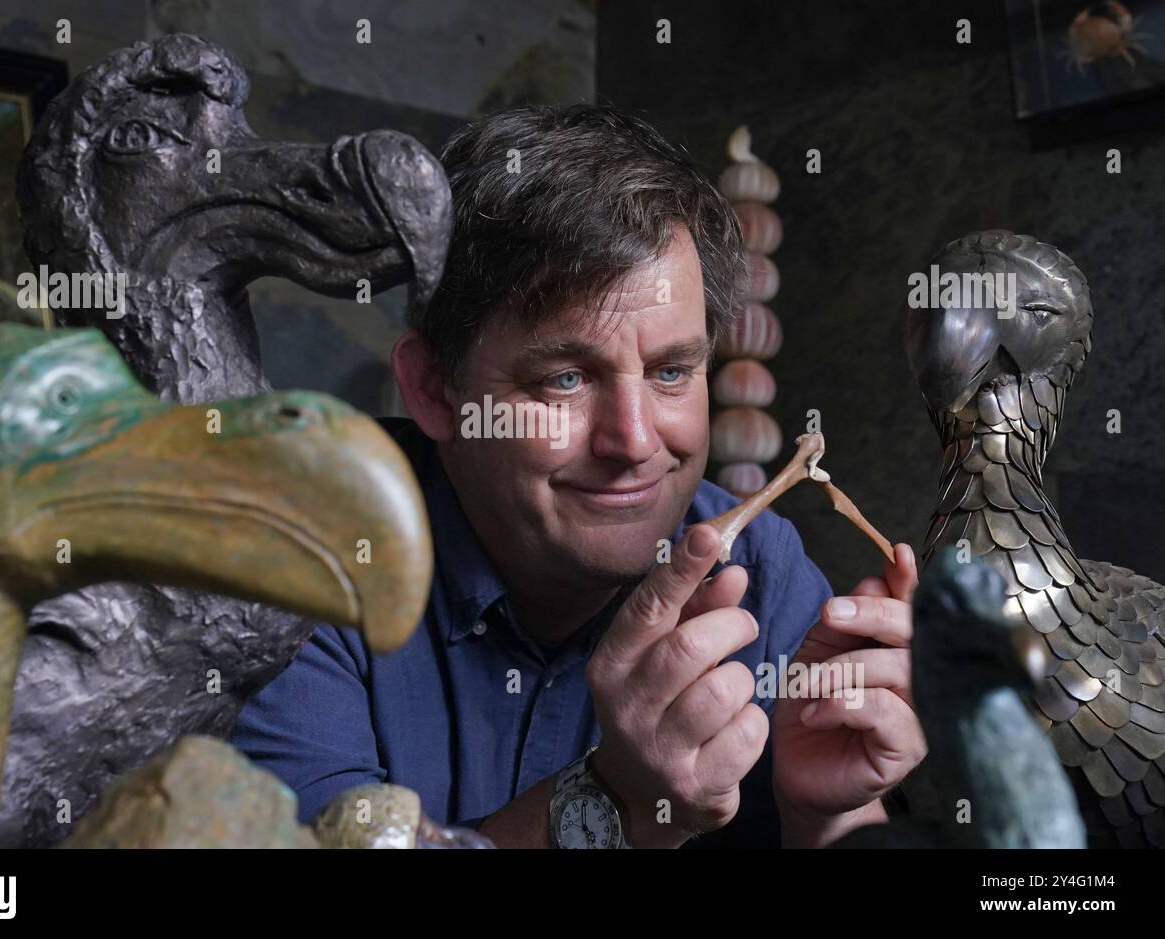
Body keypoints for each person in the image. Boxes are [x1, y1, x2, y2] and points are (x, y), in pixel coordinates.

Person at [230, 104, 926, 848]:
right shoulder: (291, 558)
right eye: (564, 378)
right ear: (434, 389)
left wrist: (829, 815)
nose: (632, 440)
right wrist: (615, 801)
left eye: (671, 371)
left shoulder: (764, 571)